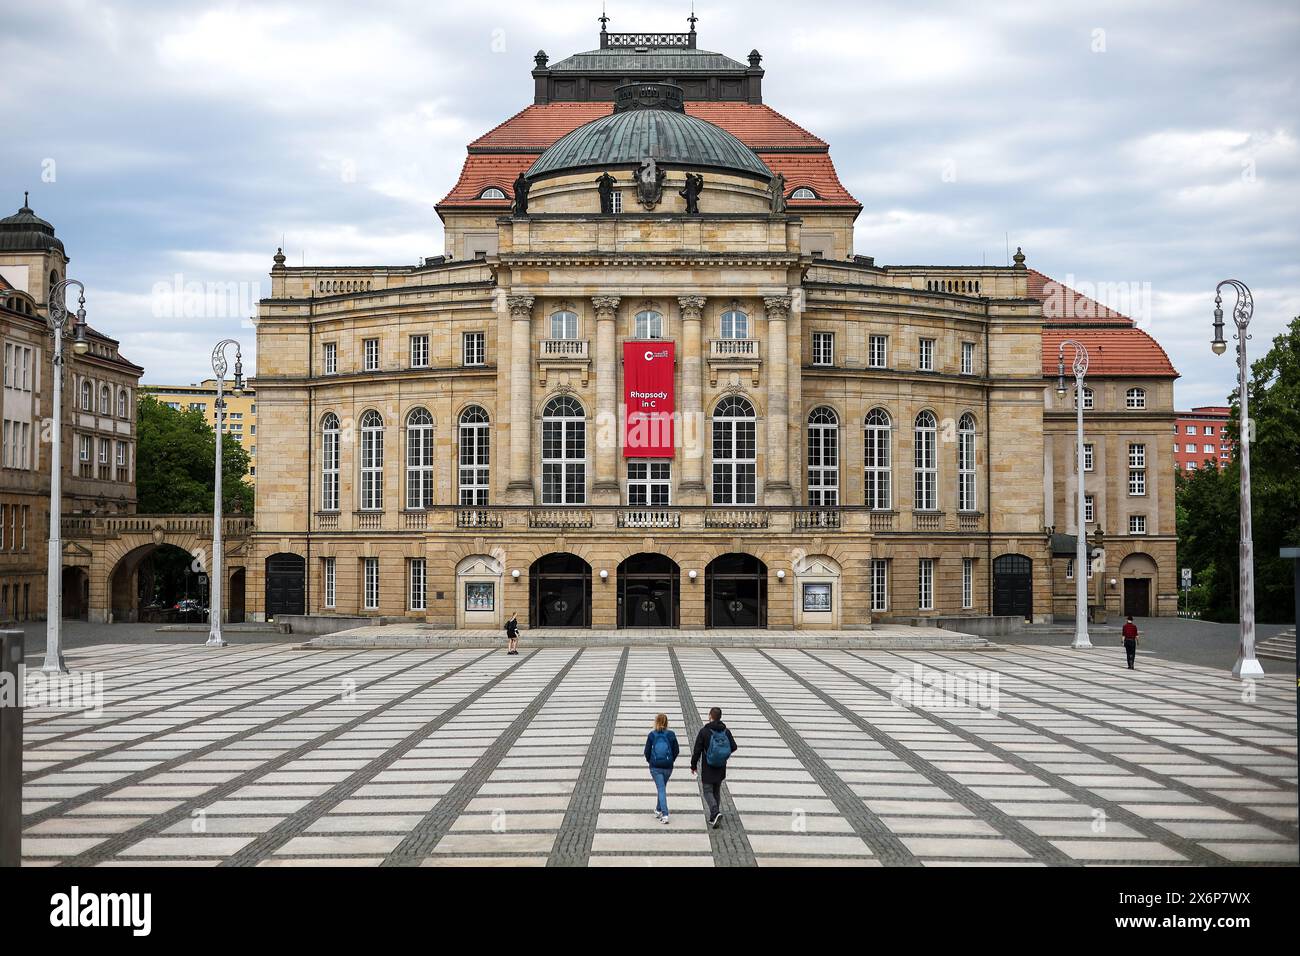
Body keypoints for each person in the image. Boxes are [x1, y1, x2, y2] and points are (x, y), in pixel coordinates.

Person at [690, 706, 738, 828]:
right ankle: (713, 817)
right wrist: (722, 755)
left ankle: (715, 812)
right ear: (720, 717)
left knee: (707, 791)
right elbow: (733, 746)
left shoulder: (704, 731)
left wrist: (693, 765)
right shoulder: (725, 731)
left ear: (710, 716)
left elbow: (697, 750)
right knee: (716, 790)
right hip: (721, 767)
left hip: (708, 766)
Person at [643, 713, 680, 825]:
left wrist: (651, 761)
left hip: (655, 767)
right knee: (662, 787)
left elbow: (646, 752)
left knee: (661, 789)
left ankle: (665, 814)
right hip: (668, 767)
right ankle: (658, 810)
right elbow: (676, 750)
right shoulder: (671, 734)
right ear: (666, 722)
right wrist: (671, 760)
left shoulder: (652, 735)